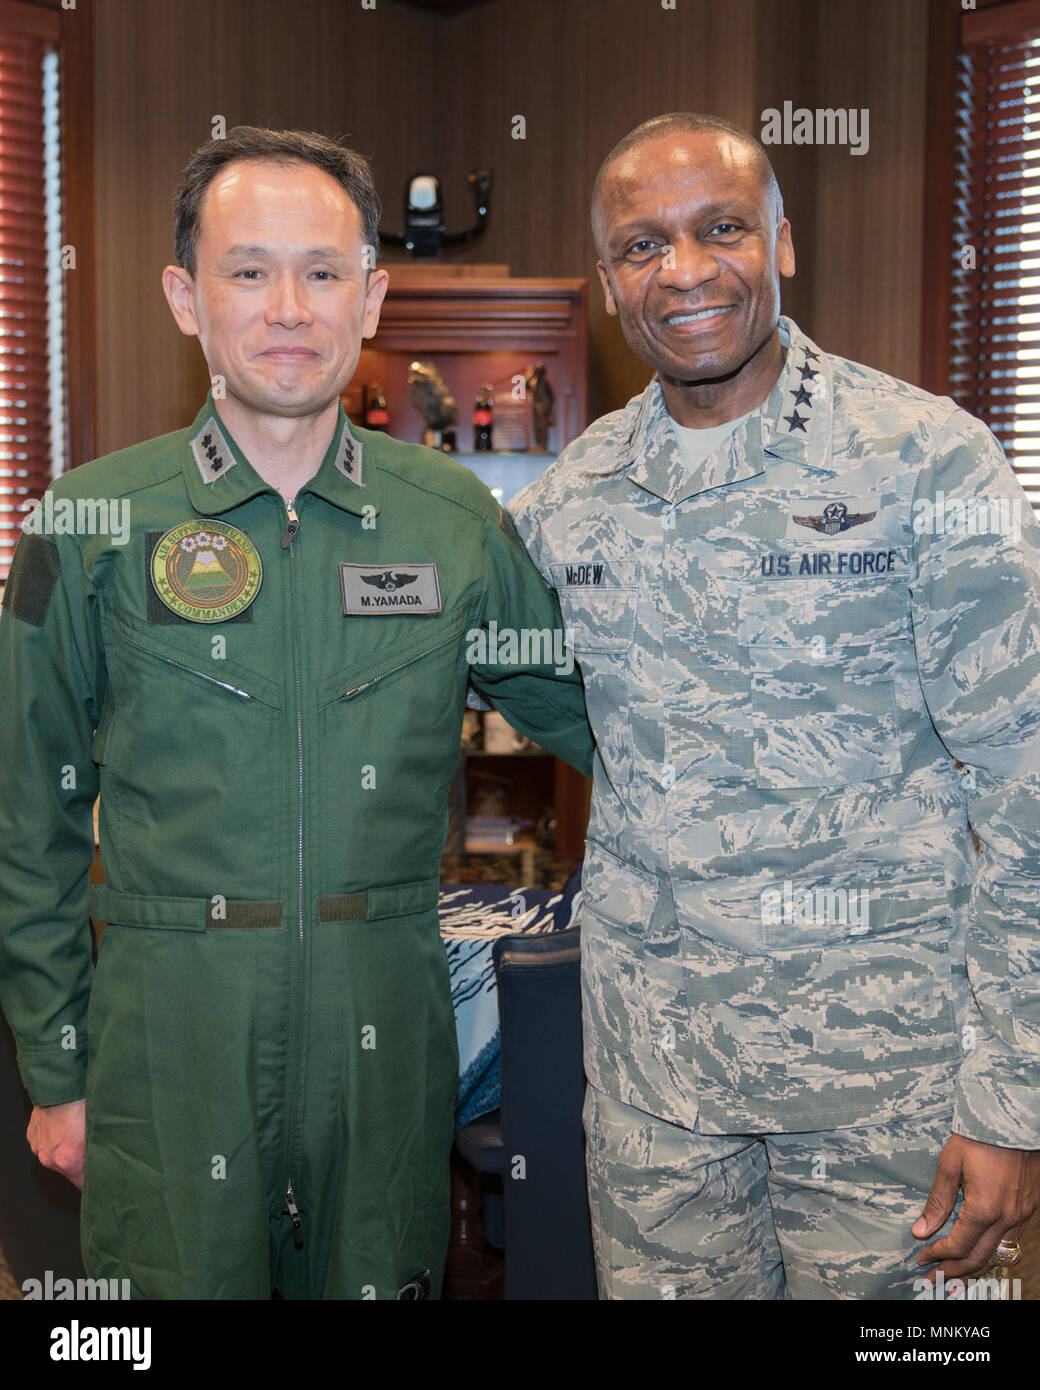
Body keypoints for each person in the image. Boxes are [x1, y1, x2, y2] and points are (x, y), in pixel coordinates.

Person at [0, 125, 594, 1300]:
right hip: (172, 1033)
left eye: (322, 273)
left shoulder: (451, 518)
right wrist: (58, 1066)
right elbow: (31, 818)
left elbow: (593, 720)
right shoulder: (86, 520)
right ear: (186, 297)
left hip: (382, 1024)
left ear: (369, 298)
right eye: (248, 269)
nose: (288, 307)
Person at [508, 111, 1040, 1300]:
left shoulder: (924, 462)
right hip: (655, 1104)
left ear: (781, 244)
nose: (684, 270)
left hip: (886, 1095)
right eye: (641, 246)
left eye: (721, 229)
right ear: (604, 282)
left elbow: (1025, 789)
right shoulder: (569, 500)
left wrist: (1012, 1099)